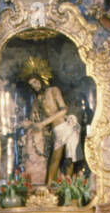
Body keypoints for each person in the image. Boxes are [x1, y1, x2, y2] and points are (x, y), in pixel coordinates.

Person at [18, 57, 81, 186]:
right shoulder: (38, 99)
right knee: (55, 160)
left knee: (69, 159)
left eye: (35, 82)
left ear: (41, 79)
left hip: (66, 127)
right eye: (31, 85)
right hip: (56, 131)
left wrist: (43, 123)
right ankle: (49, 187)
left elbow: (63, 110)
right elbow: (34, 119)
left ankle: (68, 189)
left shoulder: (53, 91)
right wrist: (27, 124)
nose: (35, 86)